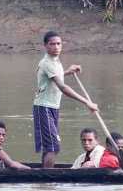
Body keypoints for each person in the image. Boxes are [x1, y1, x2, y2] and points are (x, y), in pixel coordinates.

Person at [32, 30, 98, 168]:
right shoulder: (47, 63)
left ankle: (45, 172)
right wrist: (87, 102)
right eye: (52, 44)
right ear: (45, 46)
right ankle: (47, 176)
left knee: (50, 145)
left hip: (53, 108)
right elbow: (62, 87)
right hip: (44, 107)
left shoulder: (55, 62)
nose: (56, 47)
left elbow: (55, 77)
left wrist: (68, 71)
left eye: (58, 44)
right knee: (53, 146)